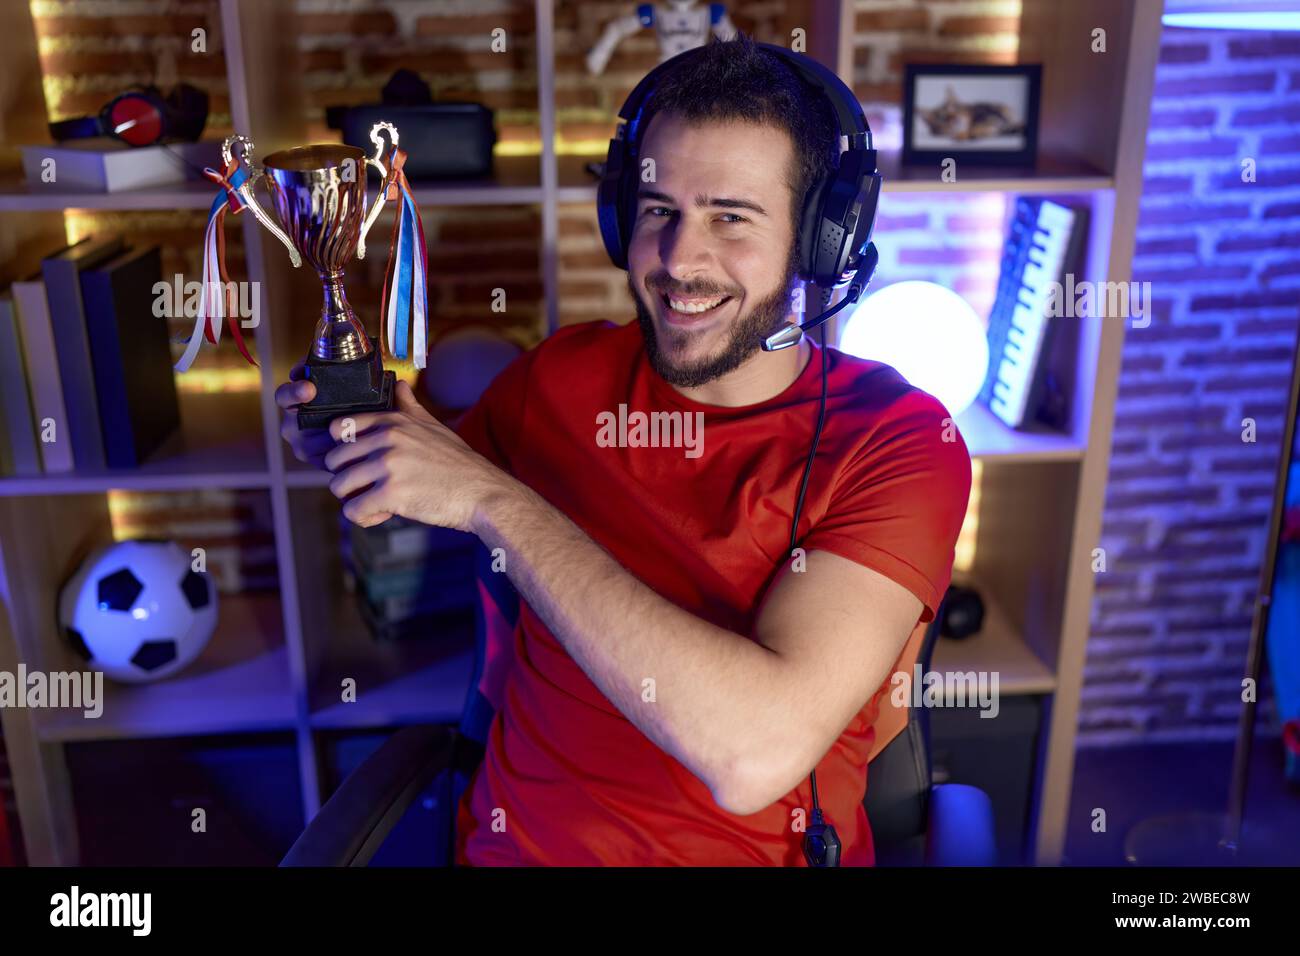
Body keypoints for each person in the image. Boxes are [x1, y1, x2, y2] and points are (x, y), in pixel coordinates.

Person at [276, 34, 972, 865]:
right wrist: (350, 435)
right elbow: (423, 474)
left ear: (821, 241)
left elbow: (753, 757)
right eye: (658, 211)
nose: (680, 259)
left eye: (730, 219)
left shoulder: (899, 443)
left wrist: (497, 504)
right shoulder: (559, 379)